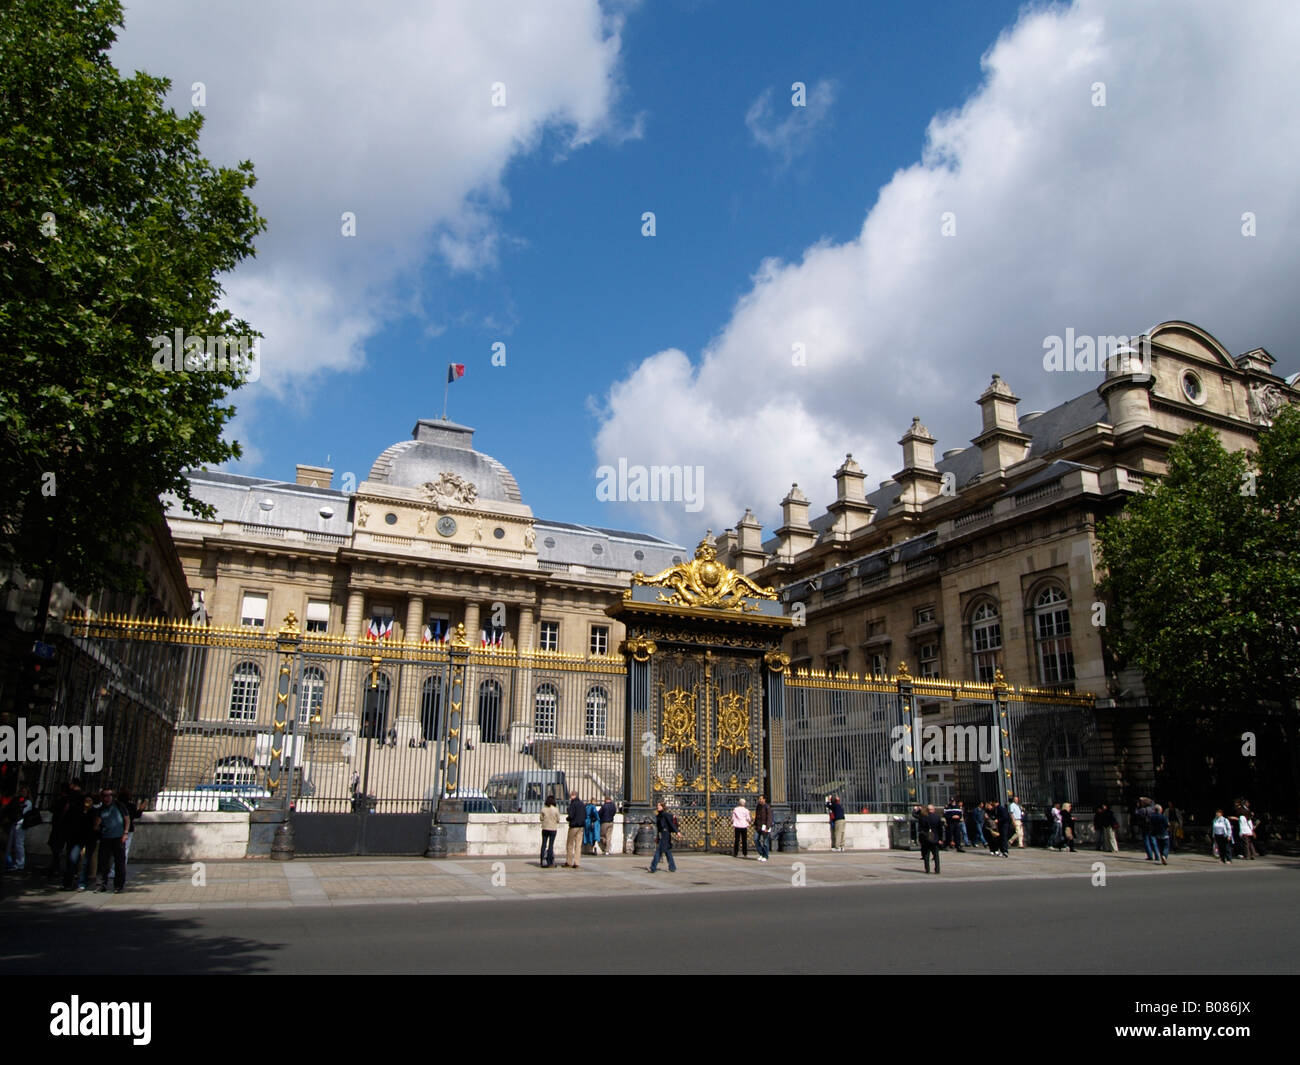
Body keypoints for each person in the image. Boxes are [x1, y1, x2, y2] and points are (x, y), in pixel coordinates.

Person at [93, 787, 130, 893]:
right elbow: (96, 825)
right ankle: (101, 884)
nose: (107, 798)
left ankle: (118, 885)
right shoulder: (100, 809)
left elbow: (127, 819)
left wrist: (125, 833)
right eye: (105, 795)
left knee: (119, 862)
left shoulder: (119, 806)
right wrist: (97, 825)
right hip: (105, 837)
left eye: (109, 795)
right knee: (103, 862)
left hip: (118, 837)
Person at [61, 793, 97, 890]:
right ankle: (68, 883)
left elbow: (96, 826)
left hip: (90, 838)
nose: (87, 803)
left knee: (86, 862)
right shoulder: (77, 811)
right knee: (72, 859)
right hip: (77, 838)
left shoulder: (94, 812)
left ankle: (82, 883)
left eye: (90, 801)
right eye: (86, 801)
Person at [4, 786, 35, 871]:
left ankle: (20, 863)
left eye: (25, 791)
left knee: (19, 844)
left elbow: (23, 813)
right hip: (15, 822)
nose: (23, 793)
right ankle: (9, 862)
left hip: (21, 824)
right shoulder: (17, 800)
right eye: (22, 791)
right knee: (10, 843)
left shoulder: (28, 802)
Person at [647, 801, 677, 873]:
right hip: (662, 834)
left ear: (663, 807)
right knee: (667, 851)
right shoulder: (659, 815)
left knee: (658, 851)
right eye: (657, 805)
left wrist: (677, 832)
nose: (658, 807)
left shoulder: (665, 814)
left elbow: (671, 824)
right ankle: (672, 867)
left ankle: (653, 867)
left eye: (659, 806)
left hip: (665, 834)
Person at [914, 804, 944, 874]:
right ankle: (937, 869)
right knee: (936, 855)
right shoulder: (937, 817)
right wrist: (940, 839)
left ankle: (927, 869)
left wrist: (917, 810)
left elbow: (920, 828)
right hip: (935, 838)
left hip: (926, 838)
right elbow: (940, 829)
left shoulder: (923, 817)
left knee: (926, 855)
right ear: (933, 810)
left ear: (927, 810)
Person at [564, 790, 585, 868]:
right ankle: (577, 862)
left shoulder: (573, 804)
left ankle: (569, 861)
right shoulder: (582, 804)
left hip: (574, 826)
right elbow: (585, 814)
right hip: (581, 826)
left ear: (572, 795)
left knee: (570, 844)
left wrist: (568, 818)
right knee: (578, 845)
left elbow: (571, 815)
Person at [539, 795, 559, 867]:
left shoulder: (543, 809)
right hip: (553, 829)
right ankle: (550, 861)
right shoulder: (556, 809)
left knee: (544, 844)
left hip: (545, 828)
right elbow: (558, 819)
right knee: (551, 845)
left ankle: (542, 860)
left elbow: (541, 818)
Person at [754, 795, 773, 862]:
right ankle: (761, 853)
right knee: (756, 839)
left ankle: (766, 855)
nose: (760, 800)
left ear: (764, 800)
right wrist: (755, 824)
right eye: (759, 799)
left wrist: (767, 827)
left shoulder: (767, 807)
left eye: (761, 799)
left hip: (765, 826)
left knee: (765, 842)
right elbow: (756, 816)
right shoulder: (758, 806)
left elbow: (769, 817)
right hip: (758, 826)